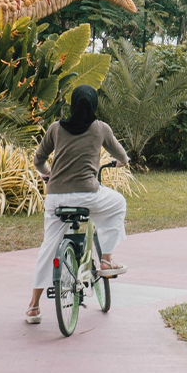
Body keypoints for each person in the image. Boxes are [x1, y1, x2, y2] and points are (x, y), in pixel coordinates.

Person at [26, 85, 130, 324]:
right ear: (94, 105)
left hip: (56, 198)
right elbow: (123, 156)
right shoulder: (100, 128)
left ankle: (33, 306)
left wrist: (47, 174)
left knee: (48, 246)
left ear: (72, 105)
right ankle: (106, 259)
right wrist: (120, 163)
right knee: (118, 204)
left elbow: (38, 160)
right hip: (87, 195)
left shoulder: (55, 129)